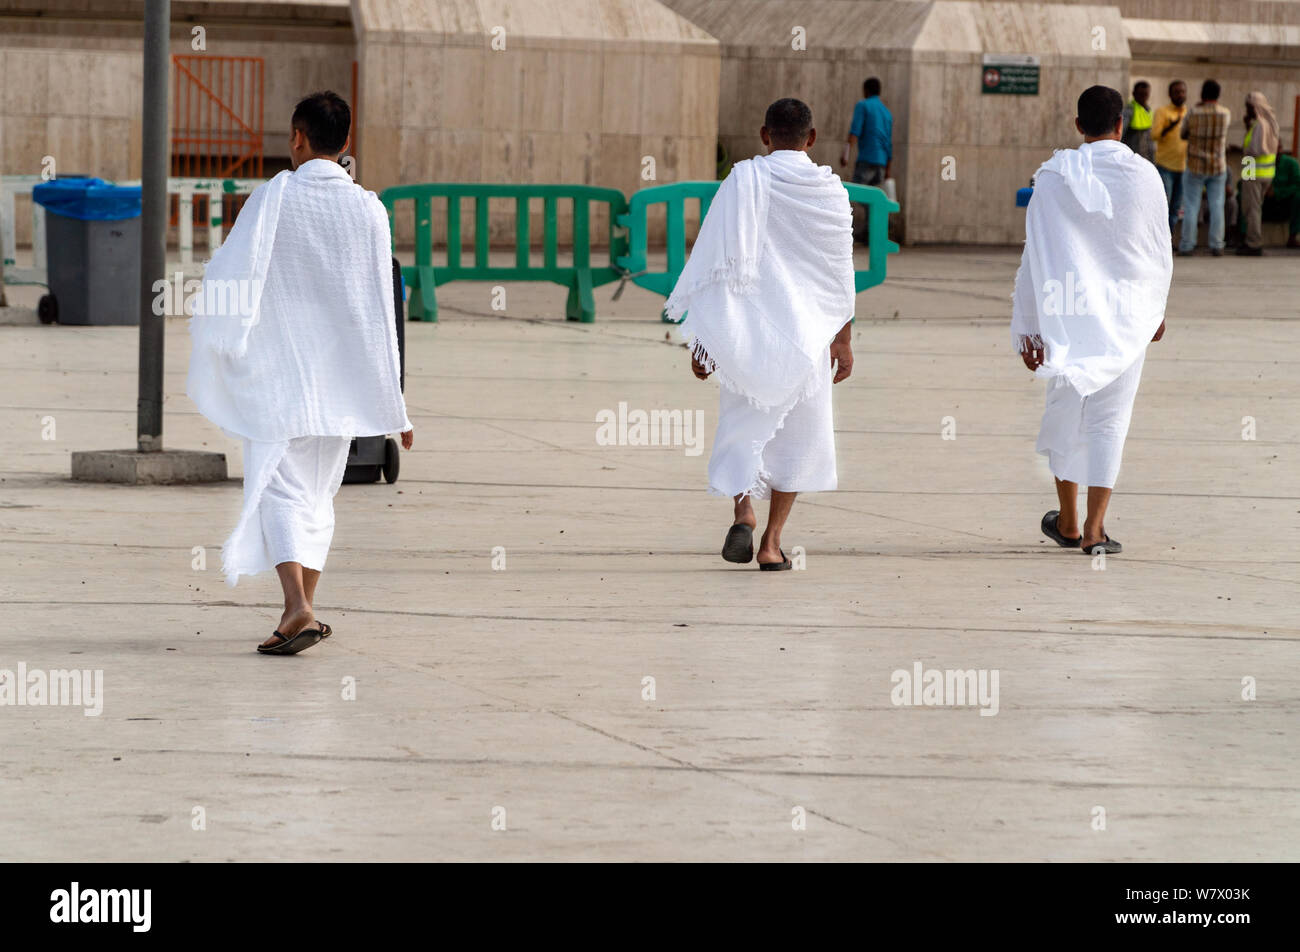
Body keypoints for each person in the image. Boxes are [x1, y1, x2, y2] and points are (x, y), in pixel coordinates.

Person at [187, 91, 413, 654]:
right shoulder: (369, 209)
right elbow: (380, 309)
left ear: (297, 138)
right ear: (347, 144)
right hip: (342, 385)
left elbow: (233, 270)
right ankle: (300, 612)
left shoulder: (276, 196)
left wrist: (224, 336)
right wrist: (393, 403)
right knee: (315, 496)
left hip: (280, 378)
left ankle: (297, 607)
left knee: (277, 491)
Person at [669, 98, 855, 570]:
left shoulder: (743, 179)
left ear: (764, 135)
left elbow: (711, 259)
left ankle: (744, 511)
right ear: (812, 138)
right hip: (807, 337)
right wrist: (843, 339)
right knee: (799, 437)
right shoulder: (830, 191)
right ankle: (772, 544)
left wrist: (704, 341)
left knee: (742, 428)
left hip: (746, 337)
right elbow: (839, 273)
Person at [1012, 86, 1171, 555]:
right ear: (1121, 124)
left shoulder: (1054, 176)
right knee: (1109, 421)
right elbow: (1158, 248)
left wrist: (1029, 329)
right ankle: (1096, 529)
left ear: (1079, 126)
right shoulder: (1145, 175)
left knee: (1066, 411)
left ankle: (1068, 521)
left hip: (1068, 313)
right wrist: (1155, 309)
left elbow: (1035, 256)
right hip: (1126, 315)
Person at [1178, 79, 1231, 256]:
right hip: (1218, 166)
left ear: (1202, 94)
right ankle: (1217, 244)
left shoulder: (1193, 112)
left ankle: (1187, 245)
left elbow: (1183, 134)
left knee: (1191, 206)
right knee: (1217, 205)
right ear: (1218, 95)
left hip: (1195, 165)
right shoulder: (1225, 113)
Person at [1237, 90, 1280, 256]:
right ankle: (1251, 239)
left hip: (1252, 171)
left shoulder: (1260, 125)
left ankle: (1253, 243)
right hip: (1263, 172)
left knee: (1251, 209)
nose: (1246, 110)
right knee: (1254, 208)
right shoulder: (1268, 123)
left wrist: (1244, 148)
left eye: (1248, 107)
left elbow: (1255, 149)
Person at [841, 77, 893, 188]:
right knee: (871, 199)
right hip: (882, 164)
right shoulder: (886, 113)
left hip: (867, 159)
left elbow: (855, 132)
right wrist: (888, 170)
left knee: (856, 193)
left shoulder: (863, 105)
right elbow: (888, 143)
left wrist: (846, 154)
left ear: (866, 90)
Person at [1151, 80, 1188, 236]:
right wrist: (1170, 127)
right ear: (1170, 94)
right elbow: (1154, 135)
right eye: (1176, 92)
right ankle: (1159, 238)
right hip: (1165, 166)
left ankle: (1169, 240)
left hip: (1183, 167)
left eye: (1182, 91)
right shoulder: (1162, 112)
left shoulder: (1189, 113)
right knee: (1163, 206)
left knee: (1175, 208)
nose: (1180, 94)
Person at [1260, 150, 1300, 248]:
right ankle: (1245, 237)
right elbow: (1242, 184)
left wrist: (1277, 192)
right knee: (1244, 197)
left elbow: (1298, 184)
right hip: (1260, 200)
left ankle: (1292, 237)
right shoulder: (1252, 160)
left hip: (1284, 203)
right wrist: (1262, 191)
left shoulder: (1291, 163)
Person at [1121, 81, 1155, 162]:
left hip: (1147, 156)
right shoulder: (1129, 110)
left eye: (1146, 94)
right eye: (1141, 94)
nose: (1143, 97)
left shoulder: (1148, 110)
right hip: (1132, 156)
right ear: (1134, 94)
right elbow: (1121, 132)